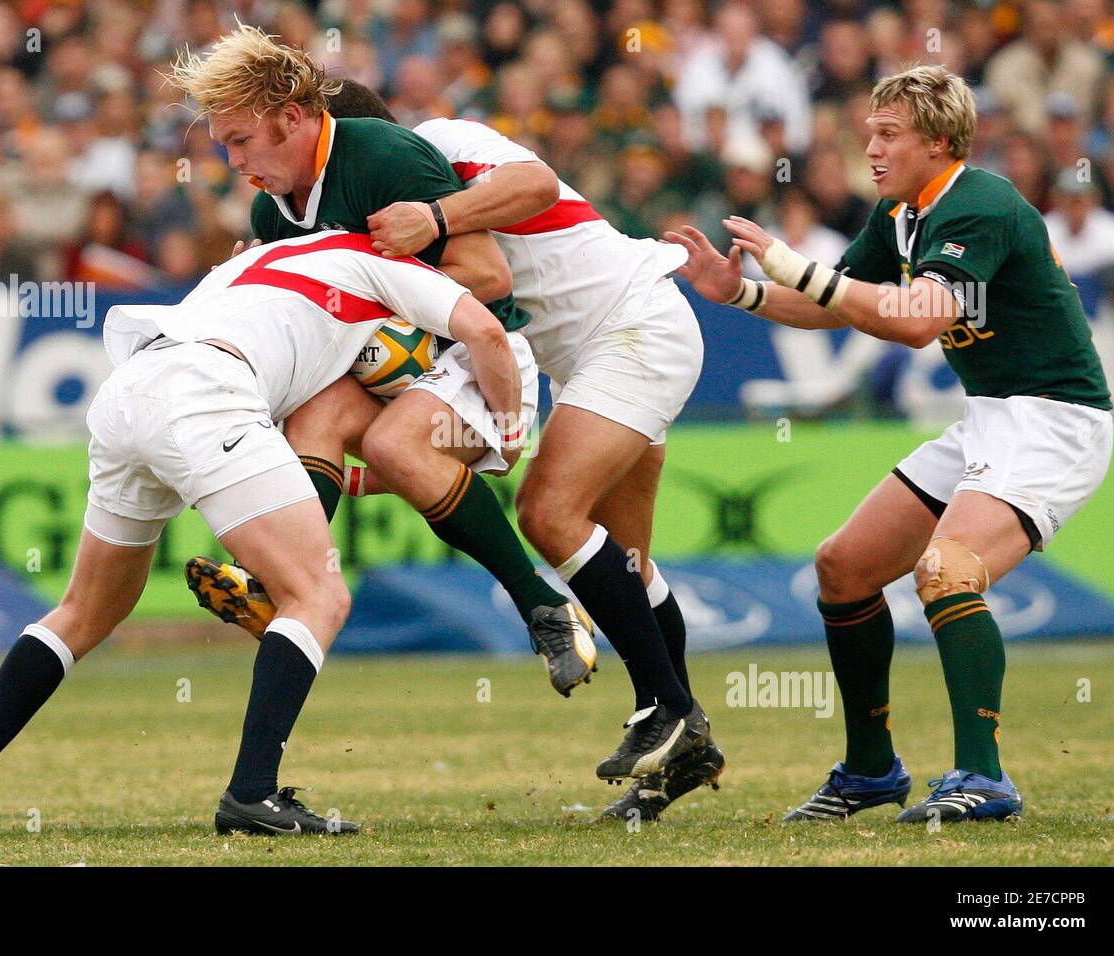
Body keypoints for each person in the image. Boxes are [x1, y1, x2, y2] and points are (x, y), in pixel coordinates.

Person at [193, 78, 723, 800]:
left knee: (548, 513)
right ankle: (684, 737)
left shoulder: (442, 144)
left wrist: (433, 214)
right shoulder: (306, 203)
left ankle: (665, 704)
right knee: (623, 557)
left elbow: (535, 183)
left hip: (633, 321)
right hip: (575, 360)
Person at [0, 230, 520, 837]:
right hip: (207, 392)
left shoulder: (262, 259)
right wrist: (512, 432)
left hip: (130, 390)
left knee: (84, 610)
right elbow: (488, 332)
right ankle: (252, 796)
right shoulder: (379, 260)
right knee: (319, 594)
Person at [670, 65, 1113, 823]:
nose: (868, 148)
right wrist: (740, 290)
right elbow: (837, 304)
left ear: (940, 141)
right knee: (844, 567)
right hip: (991, 415)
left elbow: (913, 320)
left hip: (1054, 420)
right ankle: (871, 771)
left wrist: (794, 266)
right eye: (868, 131)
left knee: (946, 570)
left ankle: (985, 777)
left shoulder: (979, 204)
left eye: (888, 134)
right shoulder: (903, 214)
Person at [166, 25, 598, 698]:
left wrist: (387, 308)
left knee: (396, 445)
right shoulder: (270, 209)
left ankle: (540, 603)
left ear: (290, 117)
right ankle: (281, 583)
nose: (233, 160)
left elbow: (488, 278)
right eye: (223, 146)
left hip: (478, 353)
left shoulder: (381, 153)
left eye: (242, 141)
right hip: (384, 361)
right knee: (311, 414)